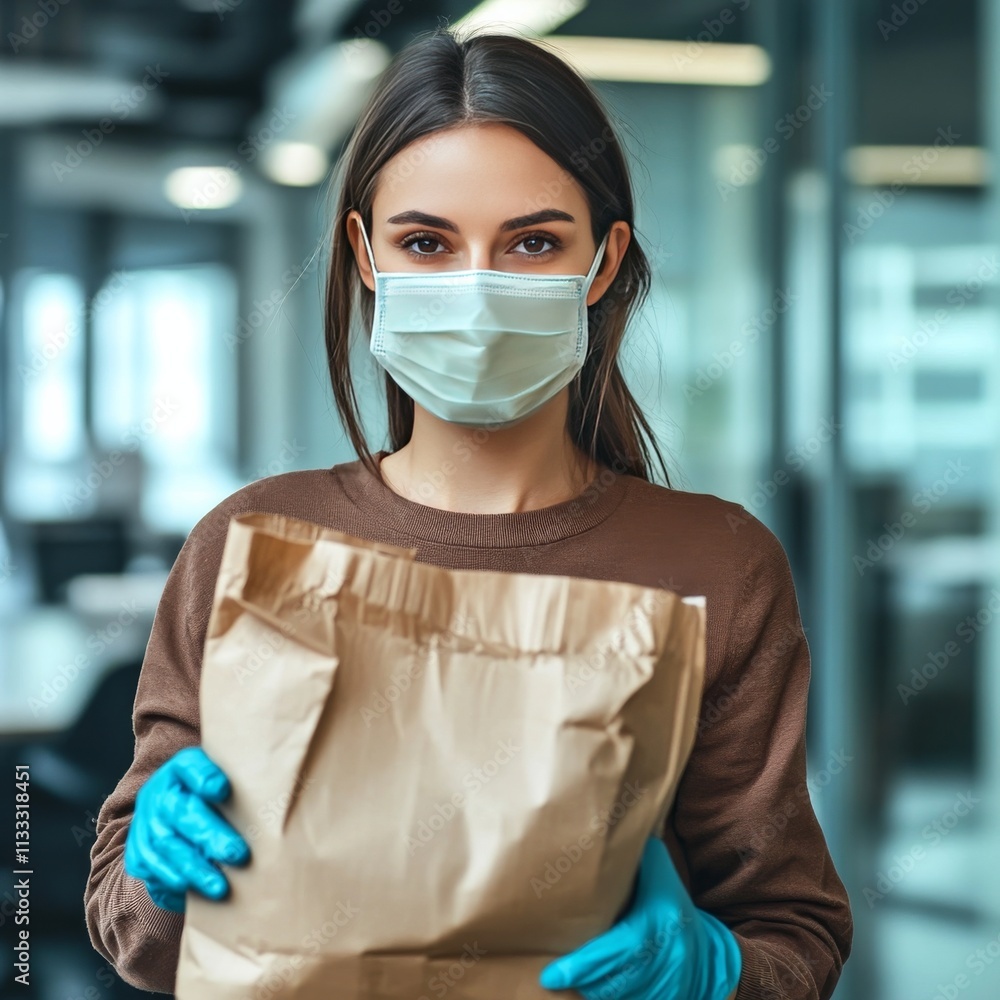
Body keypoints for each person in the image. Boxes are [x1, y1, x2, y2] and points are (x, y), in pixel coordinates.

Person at [84, 27, 853, 1000]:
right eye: (426, 242)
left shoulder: (716, 561)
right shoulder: (251, 548)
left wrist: (714, 970)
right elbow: (135, 935)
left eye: (532, 242)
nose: (476, 289)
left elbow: (796, 930)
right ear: (365, 255)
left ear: (604, 262)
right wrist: (159, 870)